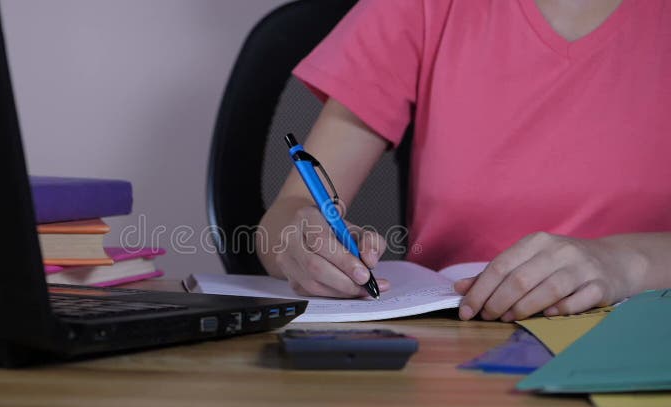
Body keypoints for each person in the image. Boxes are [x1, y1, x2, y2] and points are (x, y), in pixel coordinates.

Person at [257, 0, 671, 322]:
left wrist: (626, 264)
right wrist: (299, 241)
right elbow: (283, 219)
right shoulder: (421, 8)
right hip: (451, 345)